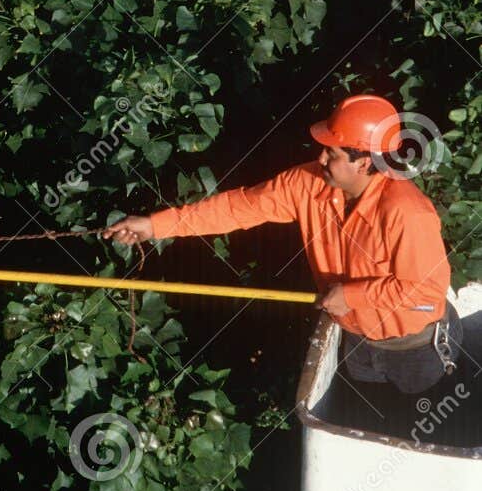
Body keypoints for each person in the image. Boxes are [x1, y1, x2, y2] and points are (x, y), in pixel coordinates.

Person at [102, 94, 460, 394]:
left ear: (364, 163)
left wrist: (353, 296)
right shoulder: (308, 183)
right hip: (356, 340)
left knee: (416, 428)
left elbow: (426, 292)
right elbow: (236, 209)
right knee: (370, 419)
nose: (319, 159)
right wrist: (154, 226)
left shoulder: (406, 211)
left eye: (331, 153)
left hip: (416, 348)